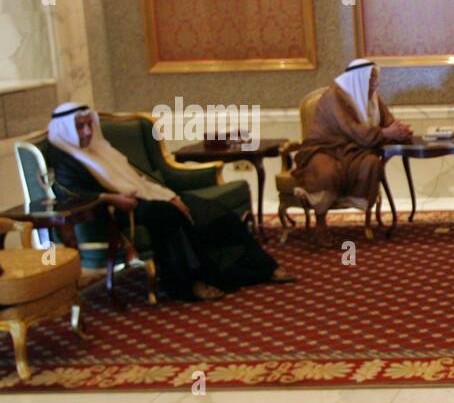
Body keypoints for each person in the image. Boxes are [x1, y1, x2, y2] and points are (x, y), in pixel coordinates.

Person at [47, 103, 292, 301]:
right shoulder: (65, 159)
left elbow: (139, 179)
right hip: (119, 210)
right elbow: (71, 194)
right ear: (66, 130)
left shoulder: (101, 149)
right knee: (169, 216)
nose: (88, 132)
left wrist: (171, 196)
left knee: (214, 212)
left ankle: (261, 269)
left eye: (89, 124)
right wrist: (112, 198)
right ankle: (190, 284)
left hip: (147, 196)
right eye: (80, 128)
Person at [293, 59, 413, 244]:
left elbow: (387, 122)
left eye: (376, 78)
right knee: (327, 171)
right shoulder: (334, 96)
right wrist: (385, 133)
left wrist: (400, 131)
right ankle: (320, 224)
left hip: (354, 150)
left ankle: (367, 220)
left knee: (371, 163)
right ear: (358, 79)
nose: (376, 84)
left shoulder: (372, 97)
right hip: (324, 149)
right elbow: (351, 129)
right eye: (371, 79)